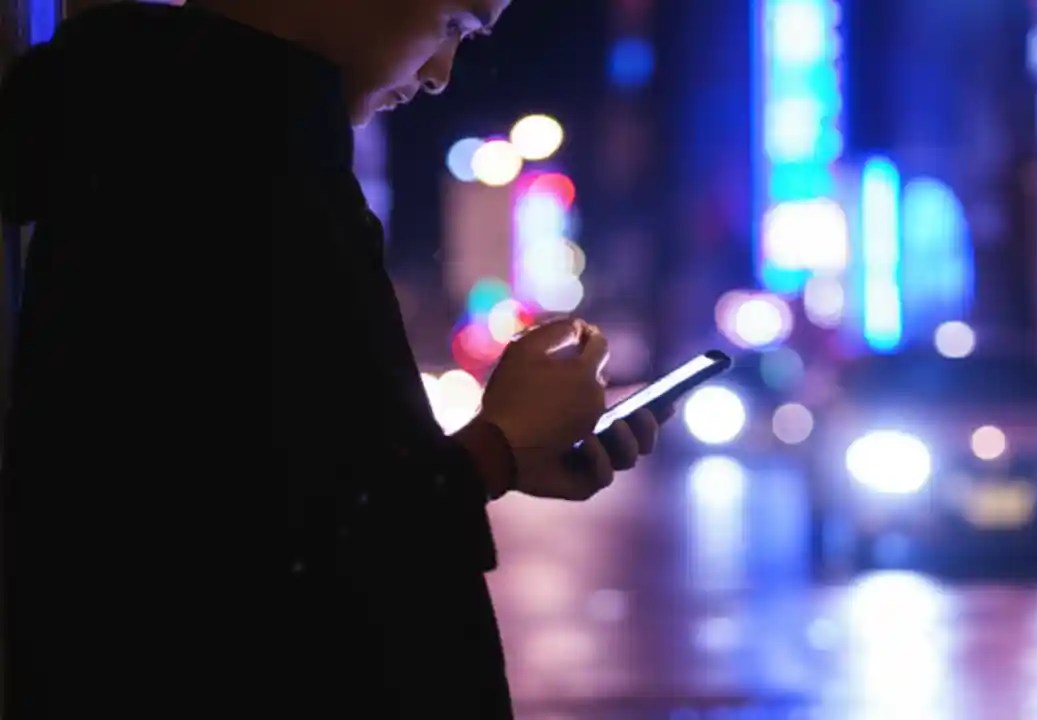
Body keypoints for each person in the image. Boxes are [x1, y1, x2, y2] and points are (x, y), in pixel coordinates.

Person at [0, 1, 671, 716]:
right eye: (454, 25)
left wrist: (510, 452)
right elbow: (259, 559)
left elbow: (273, 483)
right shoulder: (234, 160)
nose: (443, 73)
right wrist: (493, 449)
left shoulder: (180, 121)